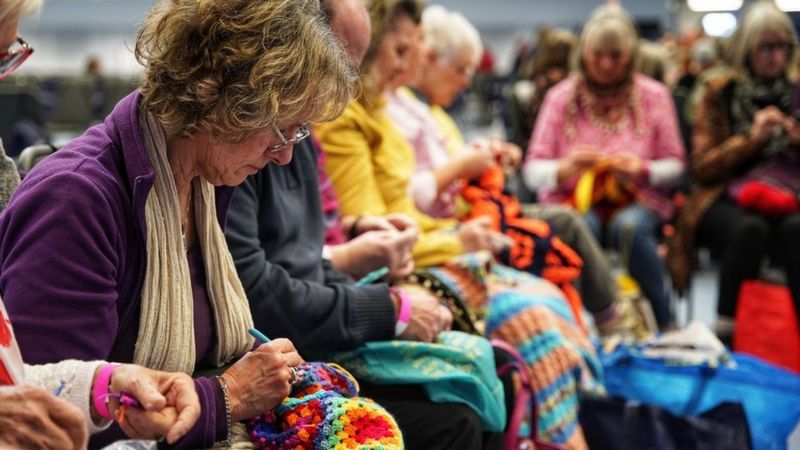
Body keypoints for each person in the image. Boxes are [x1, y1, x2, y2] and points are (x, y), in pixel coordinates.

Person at [0, 0, 356, 448]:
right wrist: (229, 395)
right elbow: (46, 424)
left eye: (297, 132)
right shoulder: (75, 201)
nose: (285, 154)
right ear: (220, 102)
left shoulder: (207, 181)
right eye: (281, 129)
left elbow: (202, 342)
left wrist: (257, 364)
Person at [316, 1, 602, 448]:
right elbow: (377, 238)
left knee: (546, 297)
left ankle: (565, 422)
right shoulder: (347, 121)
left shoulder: (384, 114)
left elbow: (383, 224)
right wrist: (455, 240)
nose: (404, 60)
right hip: (394, 271)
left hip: (404, 258)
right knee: (531, 321)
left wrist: (455, 234)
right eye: (401, 49)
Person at [224, 1, 503, 449]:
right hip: (285, 344)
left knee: (475, 377)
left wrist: (371, 265)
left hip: (307, 324)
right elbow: (260, 290)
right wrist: (389, 306)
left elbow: (308, 252)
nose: (348, 86)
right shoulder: (257, 138)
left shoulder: (296, 133)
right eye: (343, 64)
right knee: (461, 410)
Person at [0, 1, 199, 449]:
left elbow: (18, 380)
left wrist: (103, 386)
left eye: (6, 57)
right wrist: (222, 399)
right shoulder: (76, 194)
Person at [390, 4, 633, 336]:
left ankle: (609, 322)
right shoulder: (399, 112)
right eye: (461, 70)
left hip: (462, 219)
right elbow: (411, 195)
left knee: (578, 226)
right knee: (570, 226)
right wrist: (467, 165)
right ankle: (612, 322)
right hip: (450, 226)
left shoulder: (428, 112)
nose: (466, 82)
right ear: (430, 58)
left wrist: (486, 156)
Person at [524, 5, 686, 330]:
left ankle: (665, 322)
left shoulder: (653, 96)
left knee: (630, 228)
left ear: (632, 55)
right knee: (578, 227)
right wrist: (566, 168)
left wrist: (642, 170)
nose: (606, 64)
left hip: (640, 203)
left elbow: (677, 165)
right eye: (598, 54)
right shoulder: (561, 98)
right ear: (583, 53)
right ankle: (588, 325)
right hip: (574, 204)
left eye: (617, 56)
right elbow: (532, 171)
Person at [667, 2, 800, 341]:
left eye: (784, 46)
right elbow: (703, 168)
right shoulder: (719, 92)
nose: (776, 56)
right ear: (747, 49)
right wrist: (751, 141)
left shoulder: (797, 93)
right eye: (767, 47)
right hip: (723, 195)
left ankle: (791, 338)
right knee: (750, 230)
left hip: (789, 195)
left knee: (795, 230)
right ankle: (728, 334)